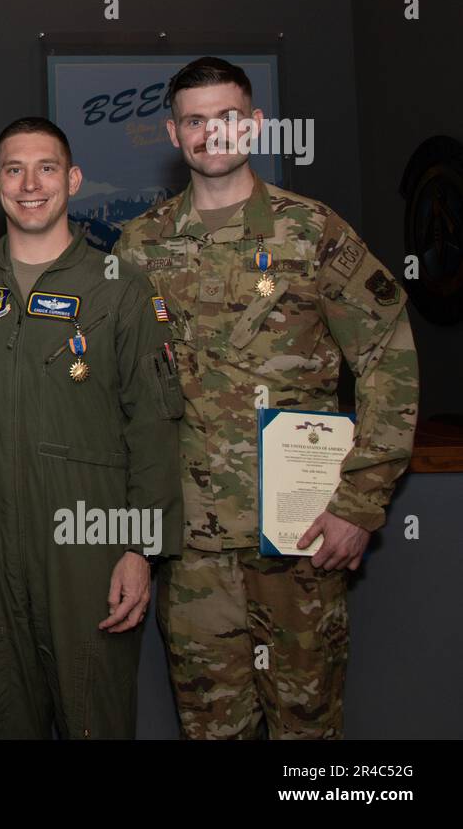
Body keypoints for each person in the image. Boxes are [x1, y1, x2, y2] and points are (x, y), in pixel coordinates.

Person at [115, 56, 419, 739]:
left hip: (299, 537)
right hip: (191, 547)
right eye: (194, 121)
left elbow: (385, 356)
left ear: (255, 125)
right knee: (210, 729)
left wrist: (361, 504)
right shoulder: (141, 245)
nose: (210, 134)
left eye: (226, 118)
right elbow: (122, 386)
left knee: (306, 728)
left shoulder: (312, 231)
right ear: (174, 134)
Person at [0, 117, 183, 739]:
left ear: (72, 179)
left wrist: (139, 549)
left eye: (47, 168)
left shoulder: (118, 286)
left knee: (94, 711)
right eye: (14, 169)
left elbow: (152, 424)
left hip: (88, 541)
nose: (30, 183)